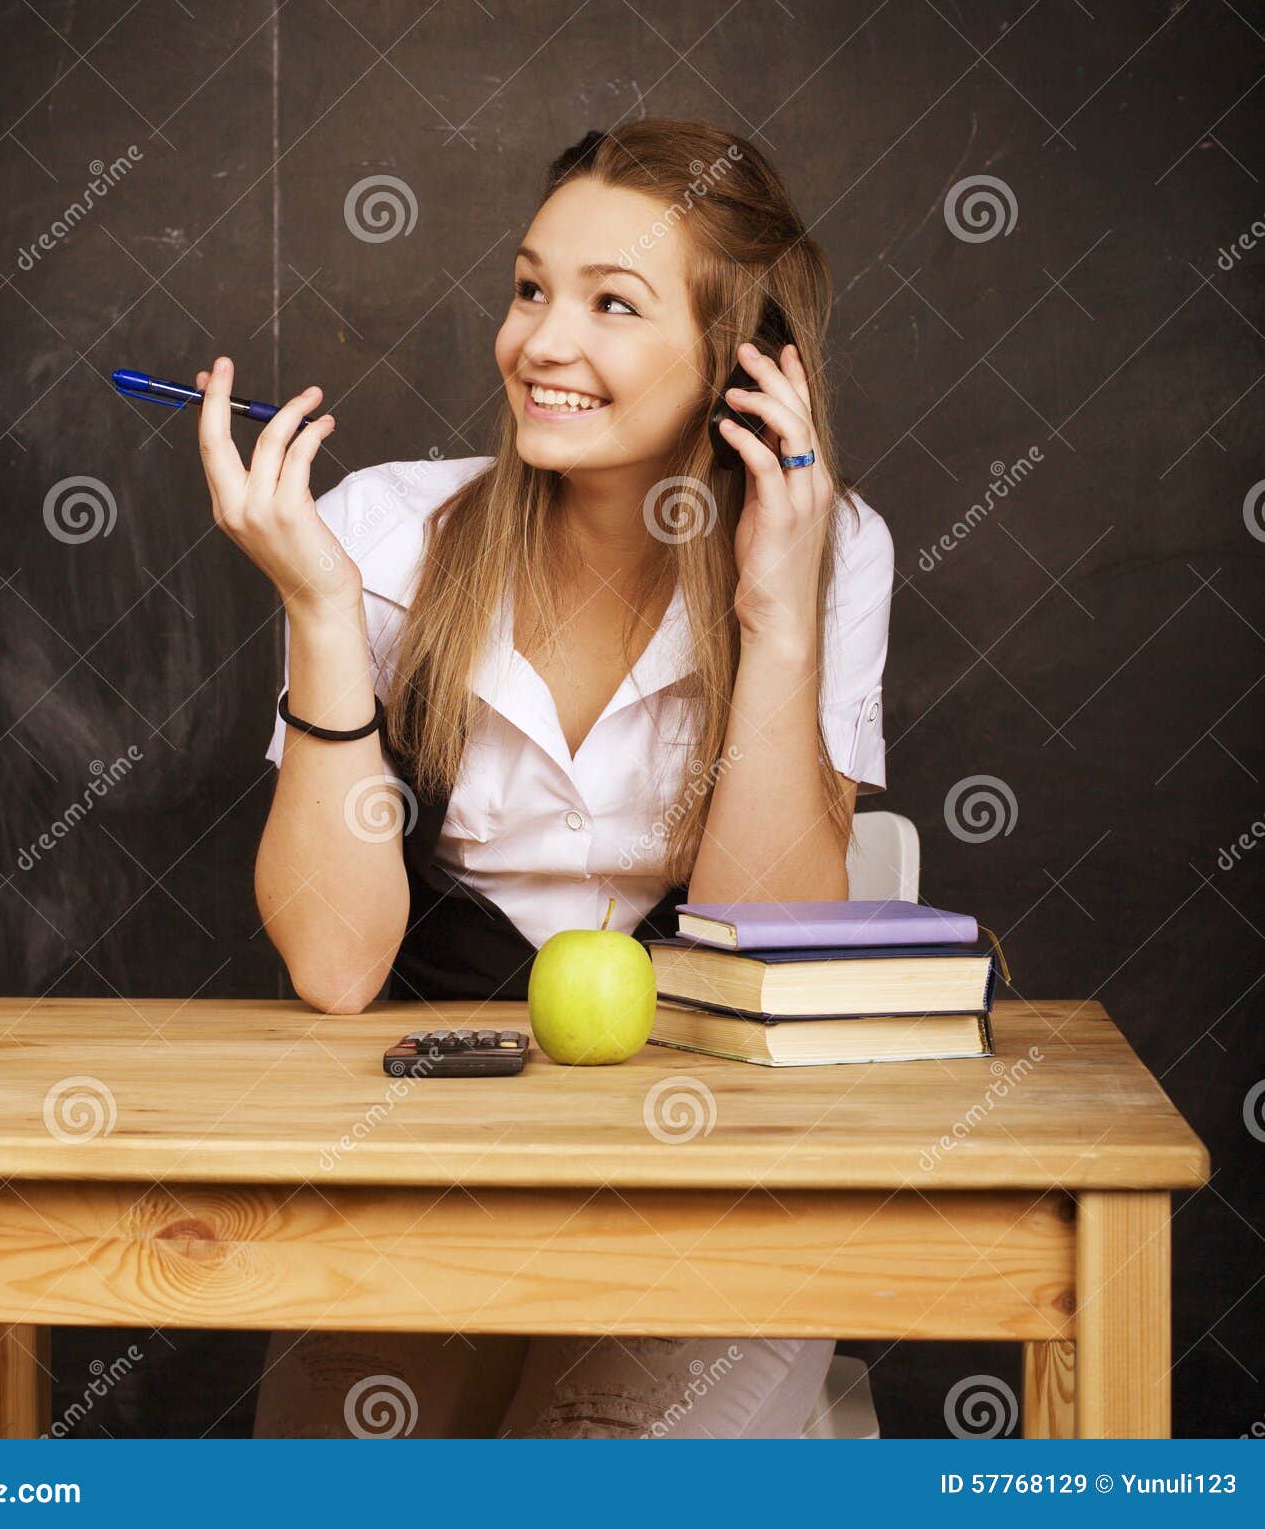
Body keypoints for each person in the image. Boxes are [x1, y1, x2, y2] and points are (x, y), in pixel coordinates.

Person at [196, 120, 894, 1438]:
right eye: (529, 289)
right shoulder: (382, 531)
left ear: (739, 363)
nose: (539, 343)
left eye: (610, 304)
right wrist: (328, 617)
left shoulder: (832, 545)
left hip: (715, 1169)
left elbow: (778, 937)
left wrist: (780, 618)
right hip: (425, 1160)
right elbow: (340, 970)